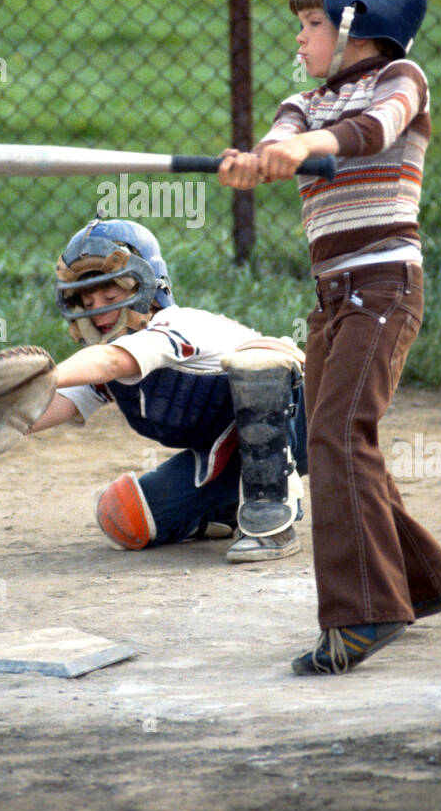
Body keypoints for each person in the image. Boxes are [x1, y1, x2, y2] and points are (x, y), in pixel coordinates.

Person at [218, 0, 441, 674]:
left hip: (385, 289)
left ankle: (363, 614)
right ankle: (420, 580)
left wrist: (309, 144)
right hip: (333, 302)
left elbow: (371, 131)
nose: (300, 34)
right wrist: (259, 159)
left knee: (334, 435)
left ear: (358, 20)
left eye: (314, 22)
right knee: (339, 438)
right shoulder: (304, 103)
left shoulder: (402, 81)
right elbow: (285, 135)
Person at [29, 217, 308, 564]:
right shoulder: (108, 353)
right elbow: (51, 405)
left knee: (257, 366)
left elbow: (110, 363)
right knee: (124, 516)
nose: (98, 309)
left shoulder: (173, 325)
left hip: (304, 417)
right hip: (232, 446)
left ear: (148, 286)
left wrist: (45, 376)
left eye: (110, 294)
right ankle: (227, 506)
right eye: (87, 303)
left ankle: (271, 517)